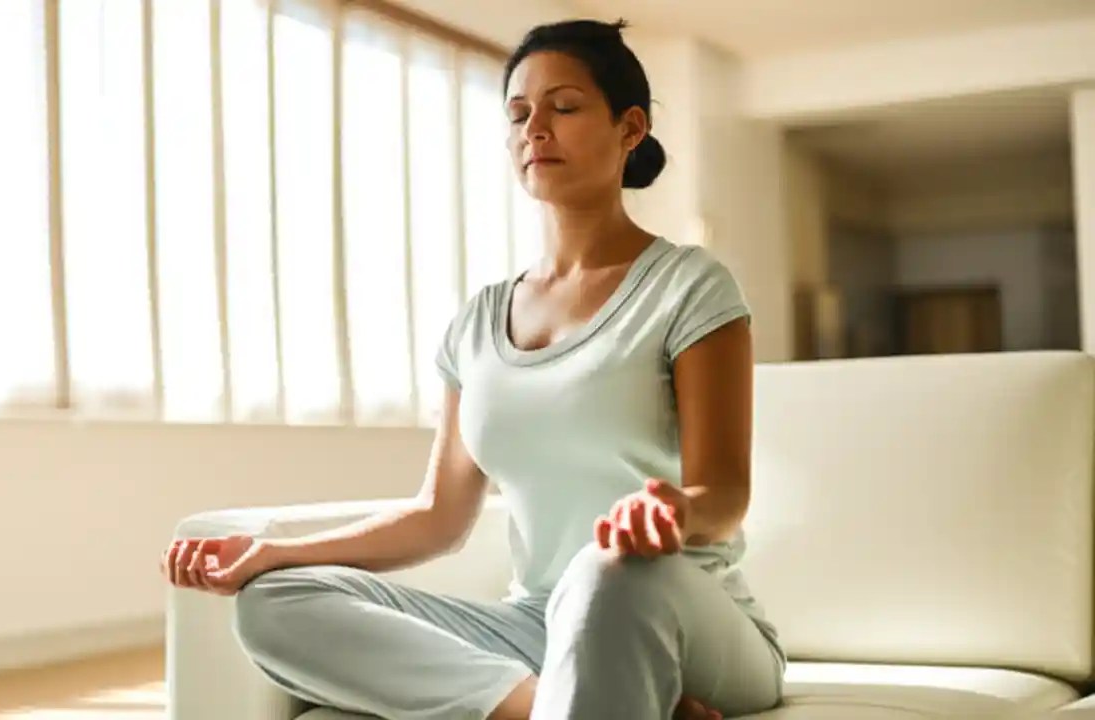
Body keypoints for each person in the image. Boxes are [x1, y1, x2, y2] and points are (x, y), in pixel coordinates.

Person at [160, 18, 785, 720]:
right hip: (535, 629)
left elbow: (725, 492)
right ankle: (555, 704)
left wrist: (677, 510)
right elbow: (437, 517)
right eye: (518, 114)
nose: (534, 129)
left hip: (675, 609)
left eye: (565, 107)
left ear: (630, 128)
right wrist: (274, 552)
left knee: (603, 571)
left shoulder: (690, 287)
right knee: (274, 604)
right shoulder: (478, 321)